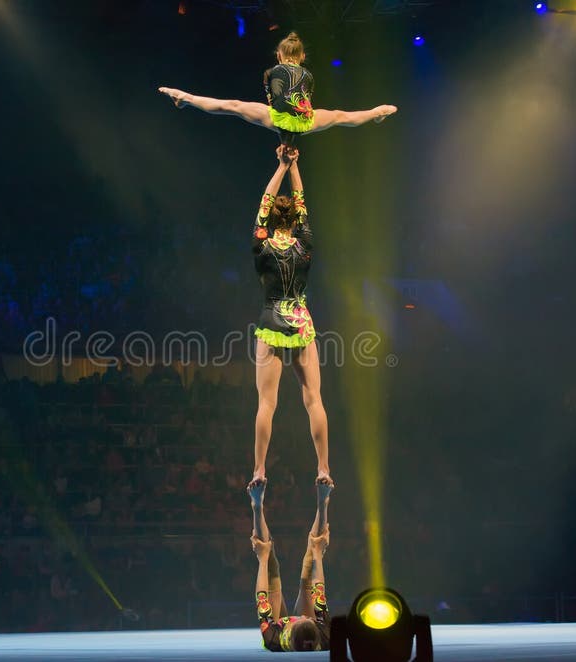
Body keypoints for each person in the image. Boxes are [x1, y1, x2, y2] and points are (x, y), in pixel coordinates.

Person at [250, 145, 331, 488]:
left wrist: (280, 167)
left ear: (269, 221)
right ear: (295, 221)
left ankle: (258, 471)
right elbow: (302, 206)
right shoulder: (305, 243)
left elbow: (263, 205)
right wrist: (295, 166)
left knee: (267, 403)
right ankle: (324, 468)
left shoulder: (261, 243)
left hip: (270, 324)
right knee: (313, 399)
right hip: (300, 324)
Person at [159, 32, 397, 146]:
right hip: (304, 122)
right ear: (303, 57)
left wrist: (284, 137)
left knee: (232, 106)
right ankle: (377, 112)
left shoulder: (272, 72)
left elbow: (275, 102)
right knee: (338, 115)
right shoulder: (309, 74)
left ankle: (186, 98)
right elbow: (304, 102)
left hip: (279, 120)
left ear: (278, 55)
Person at [250, 479, 333, 652]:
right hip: (306, 631)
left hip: (278, 622)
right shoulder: (325, 635)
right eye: (307, 617)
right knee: (312, 558)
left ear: (288, 629)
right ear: (314, 624)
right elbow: (319, 591)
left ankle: (256, 507)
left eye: (300, 618)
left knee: (269, 562)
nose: (301, 615)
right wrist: (318, 552)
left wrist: (262, 558)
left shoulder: (273, 639)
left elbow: (262, 598)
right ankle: (323, 503)